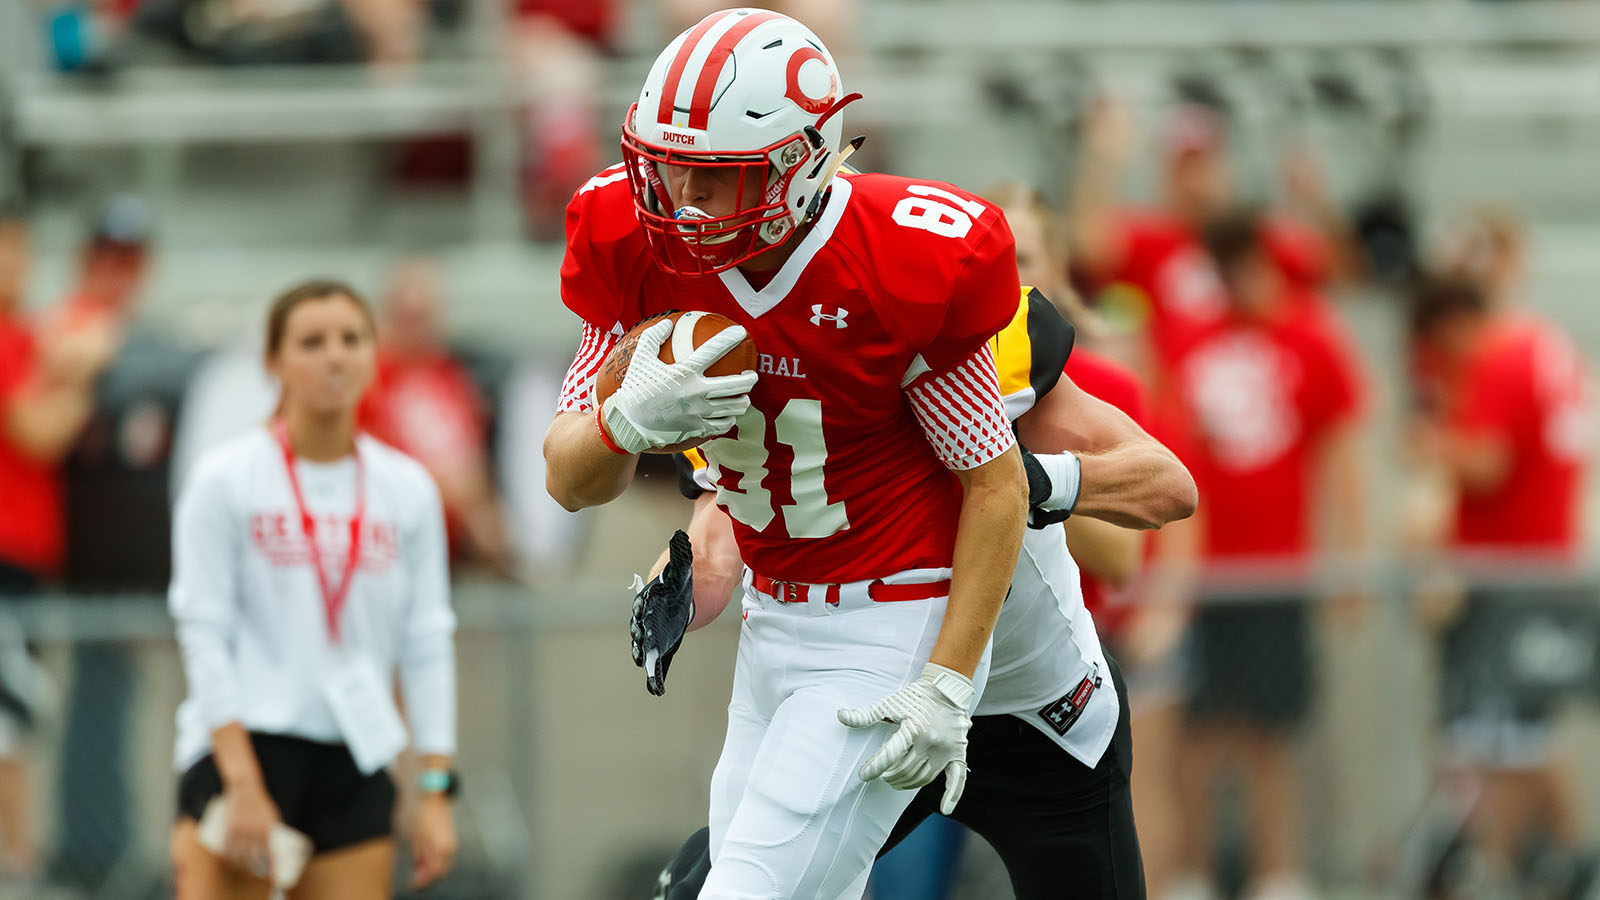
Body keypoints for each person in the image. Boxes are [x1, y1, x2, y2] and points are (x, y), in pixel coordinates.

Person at [544, 10, 1035, 897]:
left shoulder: (900, 257)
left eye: (713, 178)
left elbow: (995, 485)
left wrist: (950, 680)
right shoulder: (628, 236)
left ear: (799, 165)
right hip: (771, 619)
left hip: (887, 615)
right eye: (666, 167)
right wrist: (625, 423)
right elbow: (567, 477)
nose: (676, 200)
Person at [642, 275, 1196, 900]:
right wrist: (675, 589)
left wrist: (1022, 484)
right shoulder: (757, 368)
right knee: (718, 883)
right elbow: (717, 539)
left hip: (1036, 710)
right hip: (889, 701)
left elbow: (1169, 485)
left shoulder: (964, 329)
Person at [167, 280, 459, 900]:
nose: (334, 356)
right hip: (243, 751)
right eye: (311, 342)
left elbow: (427, 642)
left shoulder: (407, 488)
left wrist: (434, 791)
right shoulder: (225, 479)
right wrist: (241, 783)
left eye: (351, 339)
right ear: (273, 362)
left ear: (372, 355)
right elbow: (203, 633)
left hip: (354, 758)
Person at [1166, 208, 1368, 900]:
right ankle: (1190, 872)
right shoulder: (1192, 339)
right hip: (1199, 578)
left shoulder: (1311, 337)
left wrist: (1350, 560)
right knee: (1198, 734)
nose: (1236, 278)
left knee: (1270, 735)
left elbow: (1341, 459)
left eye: (1245, 260)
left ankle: (1275, 874)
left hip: (1278, 570)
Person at [1407, 213, 1597, 898]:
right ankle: (1544, 859)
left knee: (1509, 736)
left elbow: (1488, 463)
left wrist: (1430, 446)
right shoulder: (1551, 347)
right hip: (1545, 563)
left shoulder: (1498, 357)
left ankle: (1513, 863)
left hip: (1507, 573)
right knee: (1514, 730)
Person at [0, 205, 118, 884]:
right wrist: (80, 377)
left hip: (25, 560)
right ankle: (17, 862)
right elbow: (37, 430)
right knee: (7, 720)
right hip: (6, 559)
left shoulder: (24, 334)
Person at [359, 258, 511, 569]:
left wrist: (484, 508)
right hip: (395, 544)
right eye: (407, 317)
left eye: (423, 317)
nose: (416, 329)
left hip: (455, 547)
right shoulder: (368, 381)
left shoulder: (450, 376)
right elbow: (372, 462)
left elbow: (472, 454)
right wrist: (457, 495)